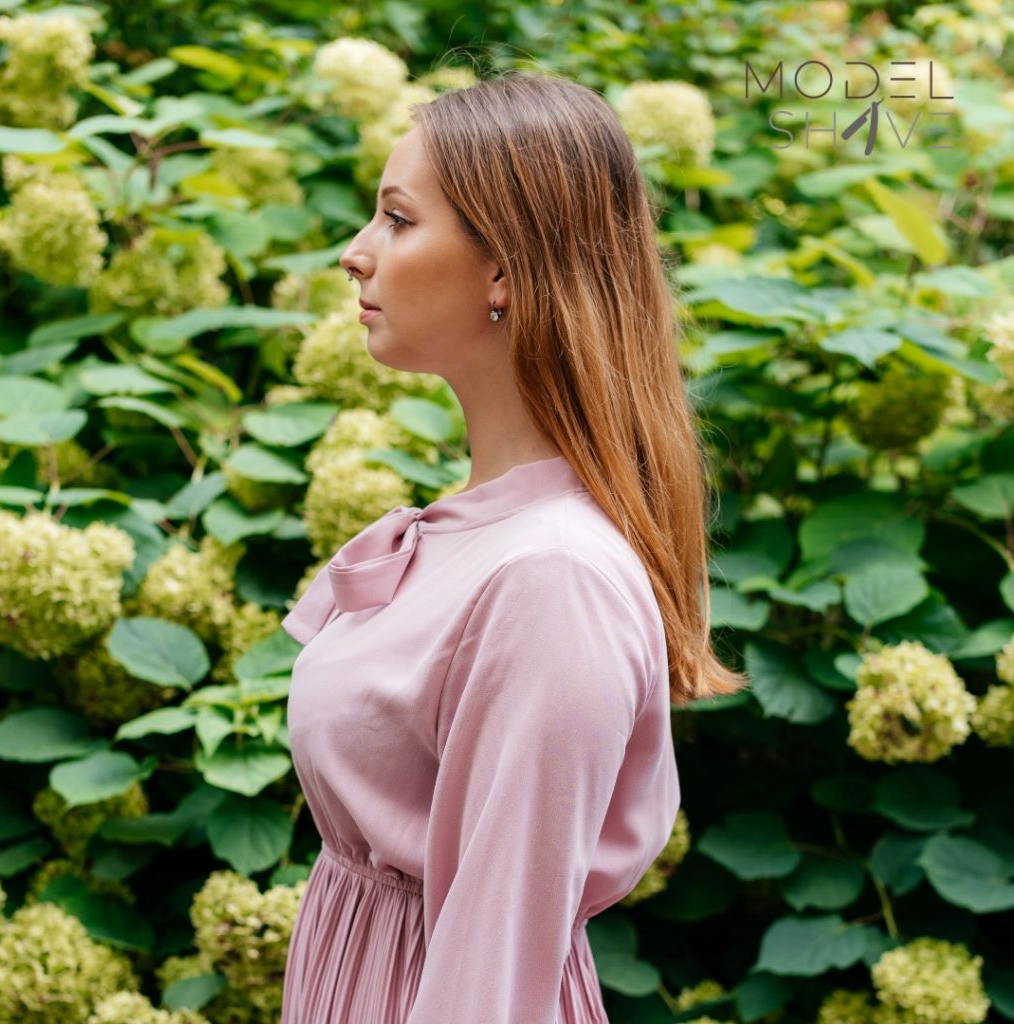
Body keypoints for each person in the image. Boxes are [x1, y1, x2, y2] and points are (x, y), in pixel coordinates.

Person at [279, 70, 748, 1024]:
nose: (355, 255)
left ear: (505, 269)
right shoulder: (490, 539)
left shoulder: (552, 580)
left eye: (398, 221)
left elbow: (491, 979)